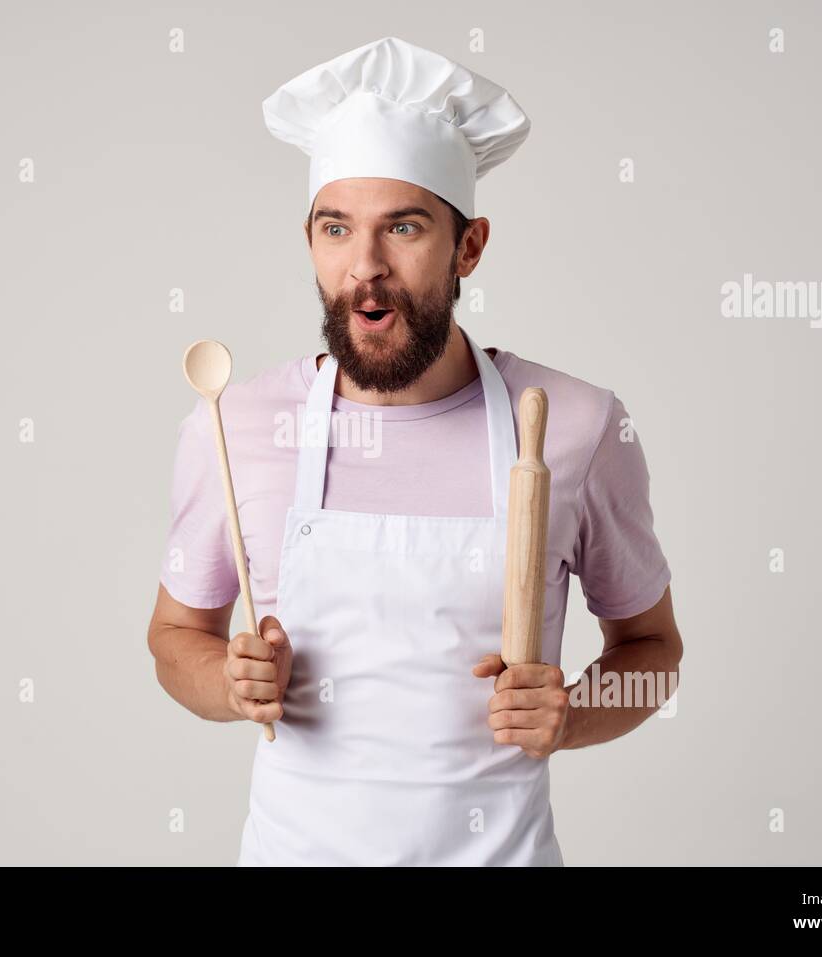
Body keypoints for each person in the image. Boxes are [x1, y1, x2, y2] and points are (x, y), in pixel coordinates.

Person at [147, 36, 683, 866]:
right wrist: (226, 682)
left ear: (469, 247)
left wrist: (572, 715)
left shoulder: (578, 426)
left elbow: (654, 649)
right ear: (310, 240)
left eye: (403, 227)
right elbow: (175, 634)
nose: (365, 267)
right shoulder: (235, 425)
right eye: (336, 228)